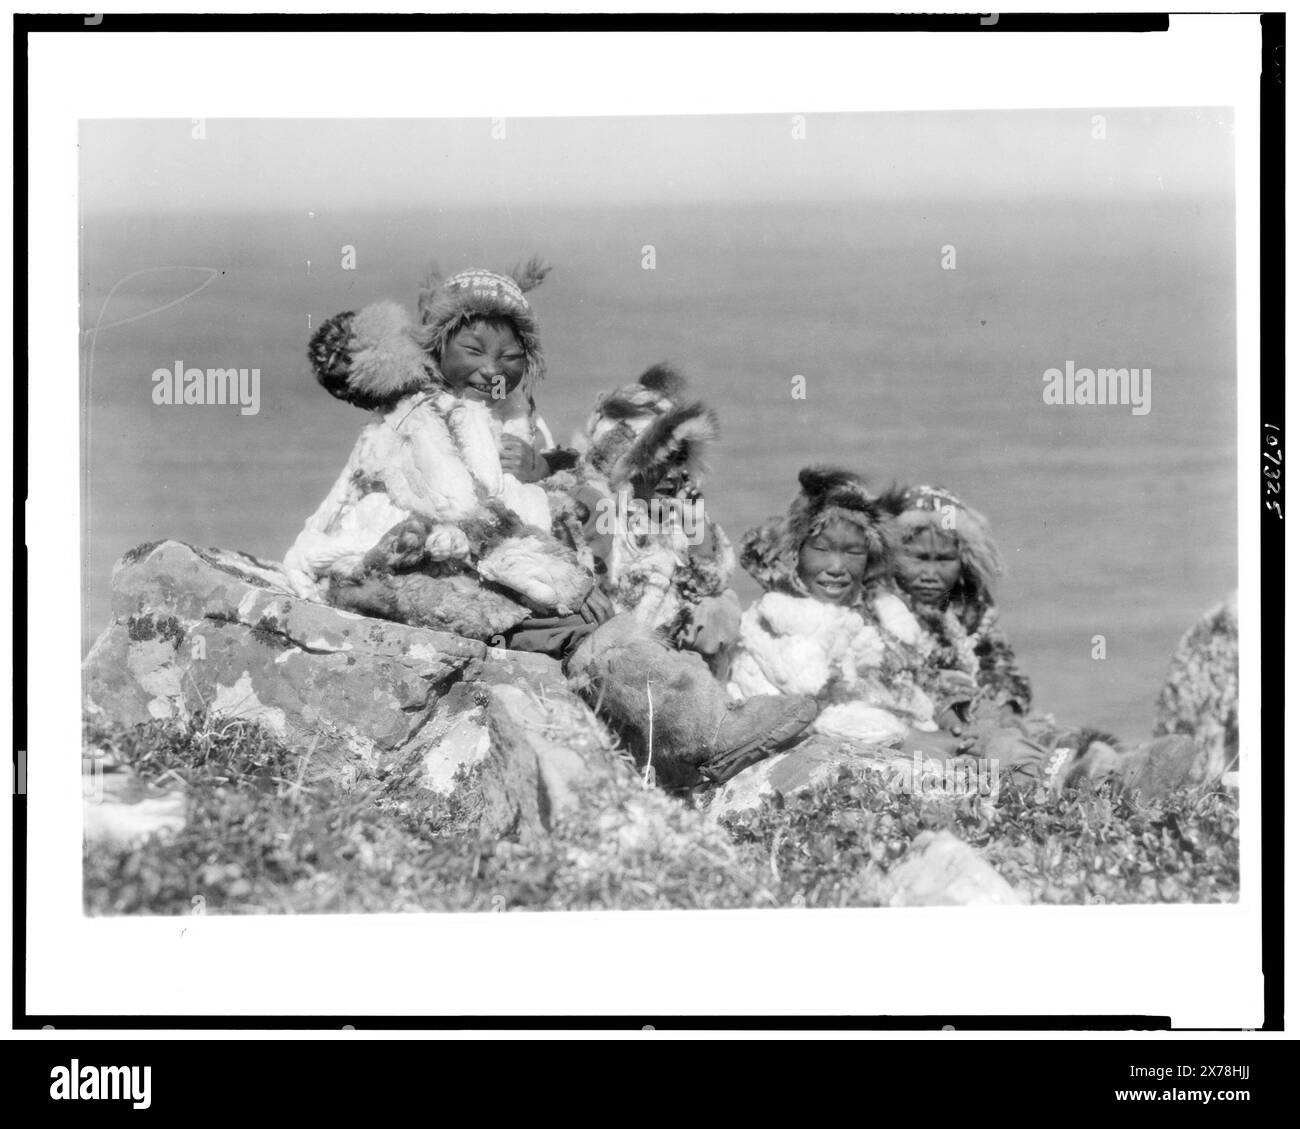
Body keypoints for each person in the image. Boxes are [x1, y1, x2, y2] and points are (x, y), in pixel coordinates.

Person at [281, 259, 594, 640]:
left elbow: (553, 480)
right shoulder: (411, 414)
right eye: (473, 351)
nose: (492, 370)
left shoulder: (517, 414)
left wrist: (541, 468)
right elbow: (351, 490)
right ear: (439, 346)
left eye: (510, 358)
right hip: (427, 550)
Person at [560, 366, 815, 790]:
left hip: (671, 663)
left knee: (720, 608)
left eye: (681, 462)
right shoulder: (594, 512)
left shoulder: (673, 518)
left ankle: (695, 741)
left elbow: (709, 582)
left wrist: (694, 526)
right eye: (660, 463)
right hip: (616, 673)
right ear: (624, 463)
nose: (674, 475)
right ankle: (706, 738)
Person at [880, 484, 1032, 726]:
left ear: (964, 560)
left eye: (944, 559)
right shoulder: (879, 607)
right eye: (918, 558)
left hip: (975, 716)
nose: (930, 573)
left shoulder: (974, 610)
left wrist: (1000, 712)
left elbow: (1003, 672)